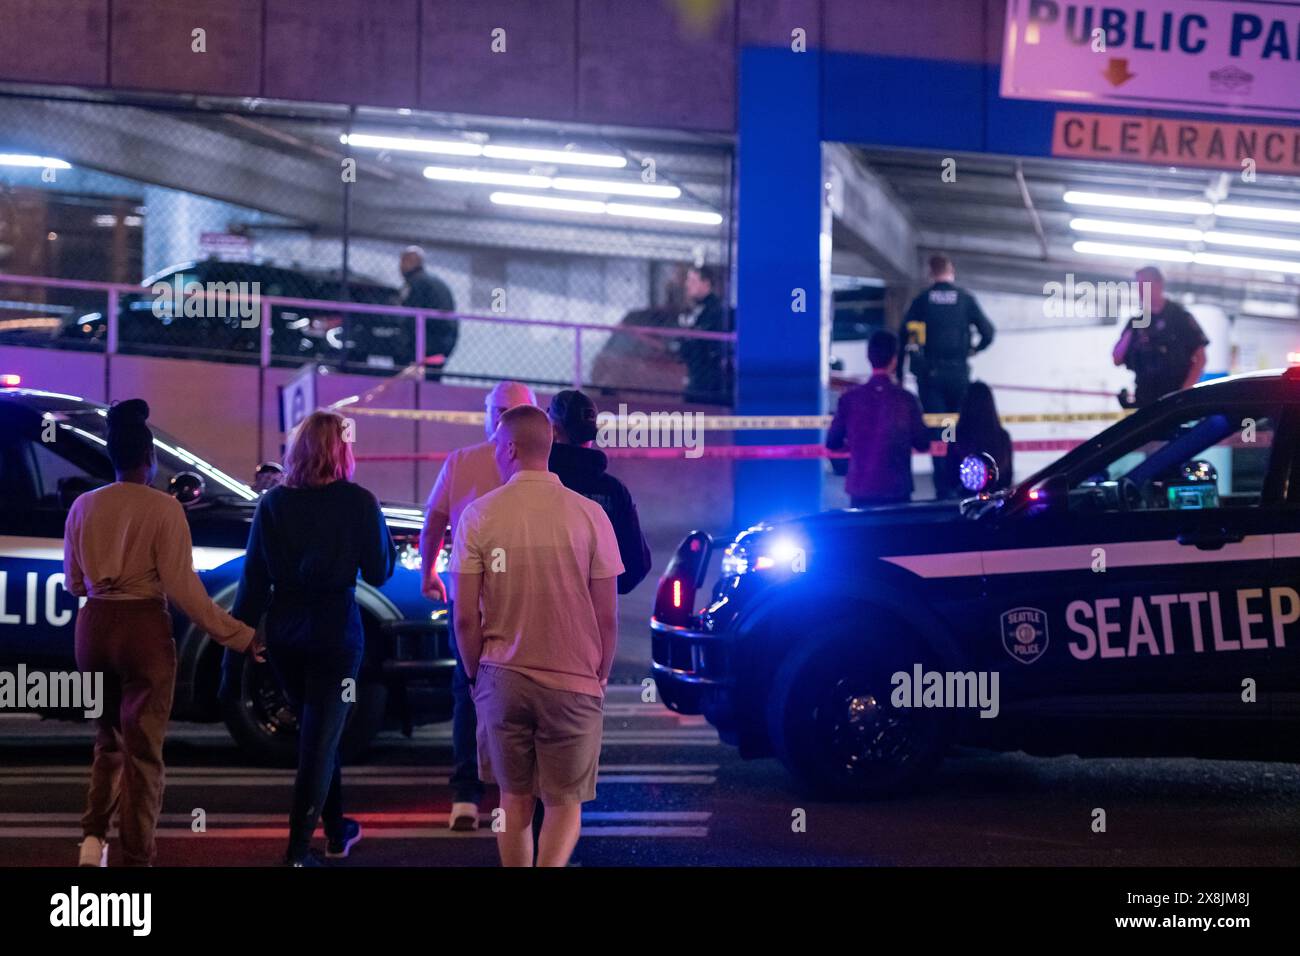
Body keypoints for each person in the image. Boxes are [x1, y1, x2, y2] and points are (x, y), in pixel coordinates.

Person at [63, 399, 258, 867]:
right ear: (149, 460)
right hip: (144, 631)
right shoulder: (165, 509)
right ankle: (135, 857)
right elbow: (185, 591)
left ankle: (92, 842)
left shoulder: (83, 505)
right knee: (144, 752)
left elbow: (73, 582)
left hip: (94, 630)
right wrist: (242, 637)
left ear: (112, 457)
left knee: (107, 740)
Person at [450, 405, 622, 867]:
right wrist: (600, 674)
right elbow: (607, 616)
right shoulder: (589, 516)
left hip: (502, 676)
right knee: (565, 803)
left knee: (514, 800)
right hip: (574, 679)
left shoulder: (479, 515)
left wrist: (474, 675)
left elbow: (464, 616)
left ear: (509, 448)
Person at [232, 410, 395, 866]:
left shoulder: (273, 505)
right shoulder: (359, 501)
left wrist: (235, 652)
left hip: (285, 633)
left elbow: (253, 583)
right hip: (335, 634)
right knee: (319, 741)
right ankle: (298, 852)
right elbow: (380, 573)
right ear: (342, 450)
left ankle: (338, 828)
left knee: (319, 733)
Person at [420, 380, 537, 830]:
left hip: (470, 592)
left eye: (502, 411)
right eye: (496, 410)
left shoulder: (461, 461)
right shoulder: (538, 465)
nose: (497, 419)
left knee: (468, 687)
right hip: (524, 594)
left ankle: (465, 794)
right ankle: (519, 790)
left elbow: (434, 524)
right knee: (524, 686)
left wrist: (429, 572)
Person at [903, 254, 995, 498]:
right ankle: (965, 483)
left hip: (932, 378)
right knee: (962, 429)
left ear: (930, 273)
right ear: (950, 270)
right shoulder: (965, 300)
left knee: (941, 431)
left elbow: (909, 337)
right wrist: (972, 350)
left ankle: (943, 489)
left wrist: (916, 366)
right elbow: (988, 332)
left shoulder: (922, 302)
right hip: (958, 375)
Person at [547, 389, 652, 595]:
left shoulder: (534, 484)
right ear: (591, 435)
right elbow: (635, 566)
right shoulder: (614, 492)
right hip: (595, 616)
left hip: (540, 611)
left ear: (553, 431)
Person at [827, 330, 930, 508]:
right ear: (894, 360)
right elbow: (923, 443)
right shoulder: (907, 399)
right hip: (897, 489)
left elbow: (832, 442)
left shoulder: (849, 399)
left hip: (861, 488)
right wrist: (947, 433)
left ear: (868, 357)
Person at [1112, 265, 1208, 408]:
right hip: (1144, 400)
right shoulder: (1137, 321)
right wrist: (1132, 329)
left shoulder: (1179, 316)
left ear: (1159, 284)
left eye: (1144, 284)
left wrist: (1183, 394)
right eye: (1138, 285)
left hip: (1173, 401)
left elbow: (1201, 358)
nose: (1140, 290)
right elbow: (1117, 358)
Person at [399, 245, 458, 380]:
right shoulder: (434, 282)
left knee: (418, 380)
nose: (400, 267)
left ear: (412, 262)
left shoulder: (416, 283)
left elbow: (409, 315)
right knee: (432, 379)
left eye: (403, 261)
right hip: (443, 342)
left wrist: (406, 344)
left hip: (427, 343)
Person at [945, 381, 1013, 494]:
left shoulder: (956, 436)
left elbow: (950, 476)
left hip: (963, 499)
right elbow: (1007, 478)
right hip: (995, 501)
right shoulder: (1002, 437)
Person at [677, 264, 731, 404]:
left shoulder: (717, 311)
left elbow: (707, 344)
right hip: (697, 376)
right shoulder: (696, 309)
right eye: (688, 280)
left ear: (706, 284)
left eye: (693, 281)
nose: (687, 285)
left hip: (708, 382)